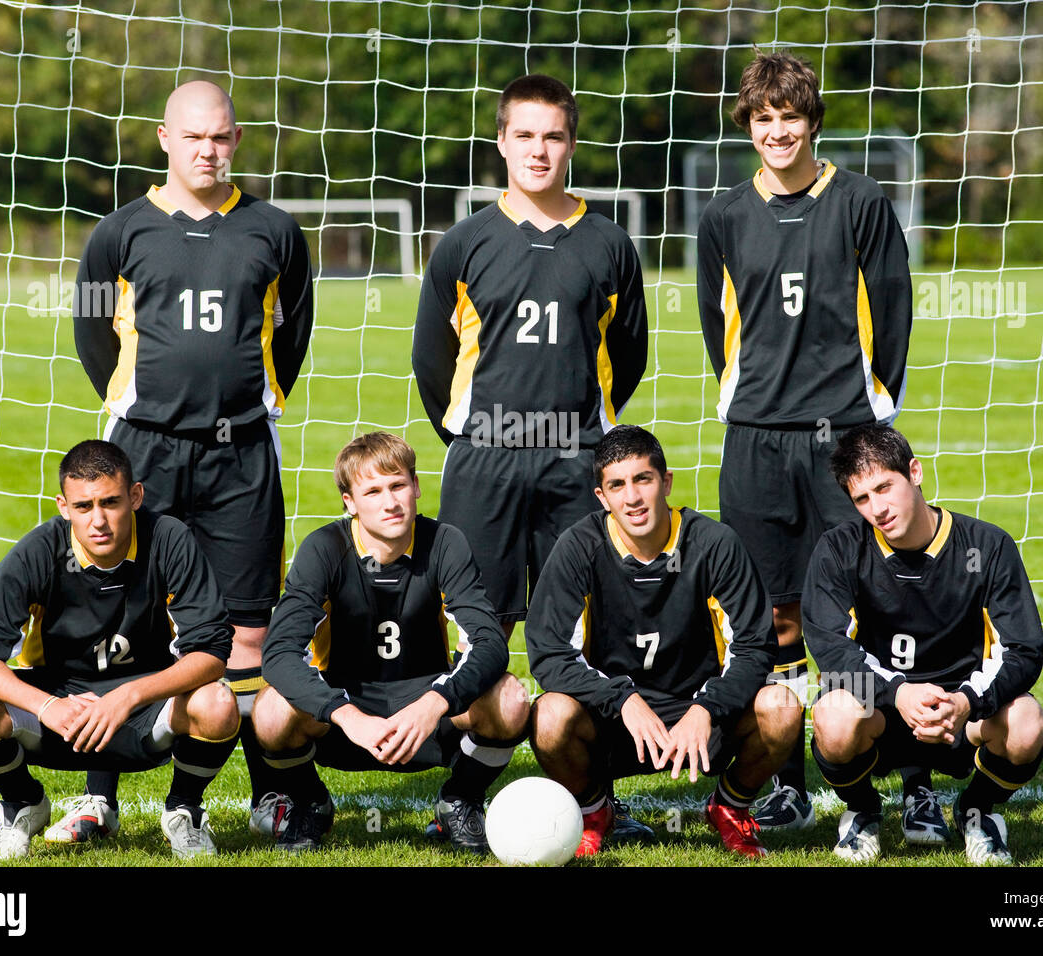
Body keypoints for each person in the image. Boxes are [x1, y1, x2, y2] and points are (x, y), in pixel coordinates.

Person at [73, 80, 313, 838]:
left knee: (246, 631)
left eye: (221, 137)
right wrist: (143, 409)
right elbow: (91, 334)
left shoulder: (274, 230)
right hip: (142, 451)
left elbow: (292, 331)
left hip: (240, 453)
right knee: (122, 613)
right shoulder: (119, 233)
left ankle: (252, 794)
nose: (208, 150)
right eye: (194, 136)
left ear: (236, 142)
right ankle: (99, 793)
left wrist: (245, 400)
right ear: (164, 138)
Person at [696, 51, 915, 833]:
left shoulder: (859, 202)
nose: (778, 130)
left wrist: (865, 410)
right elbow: (718, 329)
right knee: (773, 616)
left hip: (845, 438)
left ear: (812, 122)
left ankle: (906, 772)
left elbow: (891, 314)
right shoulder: (722, 216)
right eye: (763, 118)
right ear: (747, 127)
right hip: (755, 441)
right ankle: (784, 776)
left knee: (875, 607)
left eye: (790, 117)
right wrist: (754, 400)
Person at [411, 73, 648, 634]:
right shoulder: (465, 242)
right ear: (501, 141)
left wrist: (585, 426)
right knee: (476, 631)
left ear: (571, 144)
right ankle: (474, 725)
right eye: (524, 136)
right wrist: (472, 434)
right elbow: (431, 358)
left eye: (553, 137)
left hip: (575, 457)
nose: (538, 151)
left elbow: (628, 354)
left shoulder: (609, 244)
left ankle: (572, 723)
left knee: (583, 628)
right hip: (484, 457)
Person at [0, 440, 239, 860]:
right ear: (63, 506)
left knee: (218, 702)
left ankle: (184, 811)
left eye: (111, 502)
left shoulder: (169, 539)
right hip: (62, 708)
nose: (98, 520)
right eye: (83, 507)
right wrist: (46, 707)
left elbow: (211, 653)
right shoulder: (39, 551)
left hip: (144, 709)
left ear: (135, 496)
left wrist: (129, 695)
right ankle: (23, 803)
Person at [527, 425, 799, 858]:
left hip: (700, 716)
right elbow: (548, 652)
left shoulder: (714, 543)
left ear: (666, 481)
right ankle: (596, 812)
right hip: (615, 720)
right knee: (549, 716)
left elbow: (755, 646)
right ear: (601, 497)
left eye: (643, 479)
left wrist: (706, 708)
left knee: (782, 706)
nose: (632, 498)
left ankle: (729, 807)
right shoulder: (578, 547)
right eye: (617, 485)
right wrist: (622, 700)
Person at [253, 433, 530, 853]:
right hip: (346, 711)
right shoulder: (324, 548)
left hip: (427, 713)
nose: (390, 502)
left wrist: (436, 701)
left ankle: (460, 800)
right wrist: (346, 715)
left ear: (417, 487)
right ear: (349, 502)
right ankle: (310, 803)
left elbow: (490, 642)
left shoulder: (445, 543)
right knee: (271, 710)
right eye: (373, 491)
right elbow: (278, 654)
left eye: (398, 485)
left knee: (510, 698)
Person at [804, 424, 1043, 864]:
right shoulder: (838, 550)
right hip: (883, 713)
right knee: (833, 715)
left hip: (962, 713)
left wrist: (968, 700)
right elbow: (831, 647)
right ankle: (863, 813)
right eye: (862, 498)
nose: (877, 508)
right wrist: (899, 692)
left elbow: (1023, 649)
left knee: (1027, 721)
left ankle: (977, 810)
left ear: (914, 472)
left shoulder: (987, 546)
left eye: (884, 487)